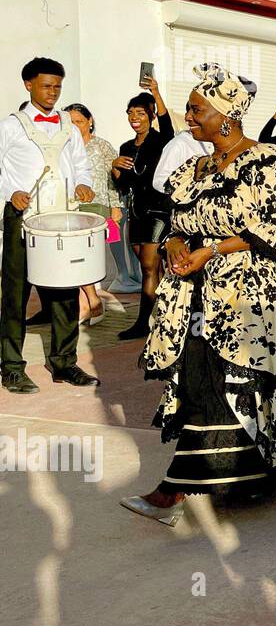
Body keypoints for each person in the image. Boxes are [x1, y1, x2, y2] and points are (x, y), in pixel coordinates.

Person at [120, 75, 276, 526]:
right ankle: (253, 475)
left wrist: (210, 249)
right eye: (190, 109)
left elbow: (274, 230)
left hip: (252, 301)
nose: (190, 118)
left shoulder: (264, 163)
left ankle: (173, 491)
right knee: (202, 380)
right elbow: (181, 219)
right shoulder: (195, 168)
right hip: (199, 297)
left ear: (228, 116)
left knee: (234, 382)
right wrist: (177, 241)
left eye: (199, 110)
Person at [0, 59, 98, 393]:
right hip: (22, 219)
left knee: (65, 292)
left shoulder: (68, 126)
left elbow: (81, 166)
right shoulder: (11, 126)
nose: (53, 92)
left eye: (57, 86)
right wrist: (10, 192)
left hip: (62, 217)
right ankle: (12, 367)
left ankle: (64, 364)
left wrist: (83, 184)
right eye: (46, 85)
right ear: (28, 84)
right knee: (15, 295)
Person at [112, 78, 175, 340]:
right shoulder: (127, 147)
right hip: (136, 211)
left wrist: (156, 93)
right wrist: (115, 166)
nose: (134, 118)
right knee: (150, 267)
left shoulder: (161, 140)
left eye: (140, 113)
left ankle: (143, 323)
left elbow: (167, 123)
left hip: (158, 211)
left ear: (150, 115)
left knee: (149, 267)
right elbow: (124, 183)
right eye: (130, 114)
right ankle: (164, 318)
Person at [63, 103, 121, 326]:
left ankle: (91, 302)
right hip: (71, 206)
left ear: (90, 122)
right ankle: (88, 303)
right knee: (73, 257)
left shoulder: (102, 146)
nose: (75, 126)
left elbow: (113, 178)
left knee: (88, 258)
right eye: (70, 122)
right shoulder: (65, 147)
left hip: (97, 207)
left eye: (78, 121)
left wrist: (115, 206)